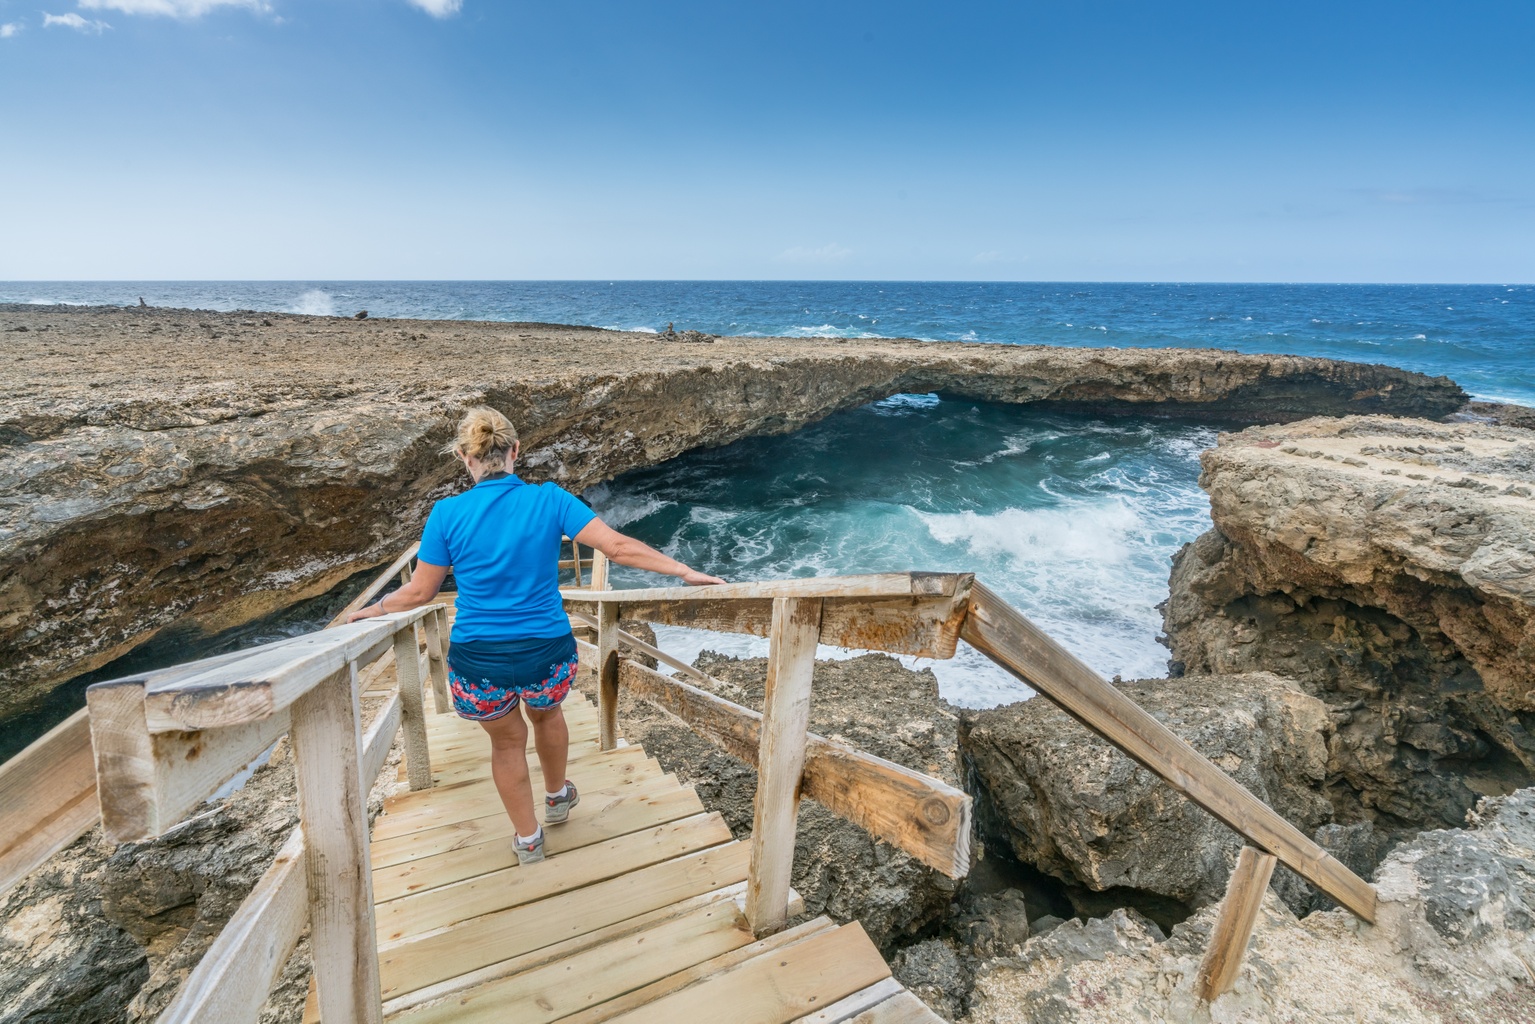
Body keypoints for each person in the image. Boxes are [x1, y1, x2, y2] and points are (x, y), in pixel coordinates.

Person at [348, 406, 724, 864]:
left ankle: (528, 841)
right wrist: (684, 571)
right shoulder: (551, 499)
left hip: (478, 657)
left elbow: (420, 592)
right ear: (515, 451)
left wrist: (370, 611)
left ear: (466, 458)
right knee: (547, 716)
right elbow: (618, 547)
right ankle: (557, 797)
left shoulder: (446, 513)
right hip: (545, 649)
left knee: (506, 744)